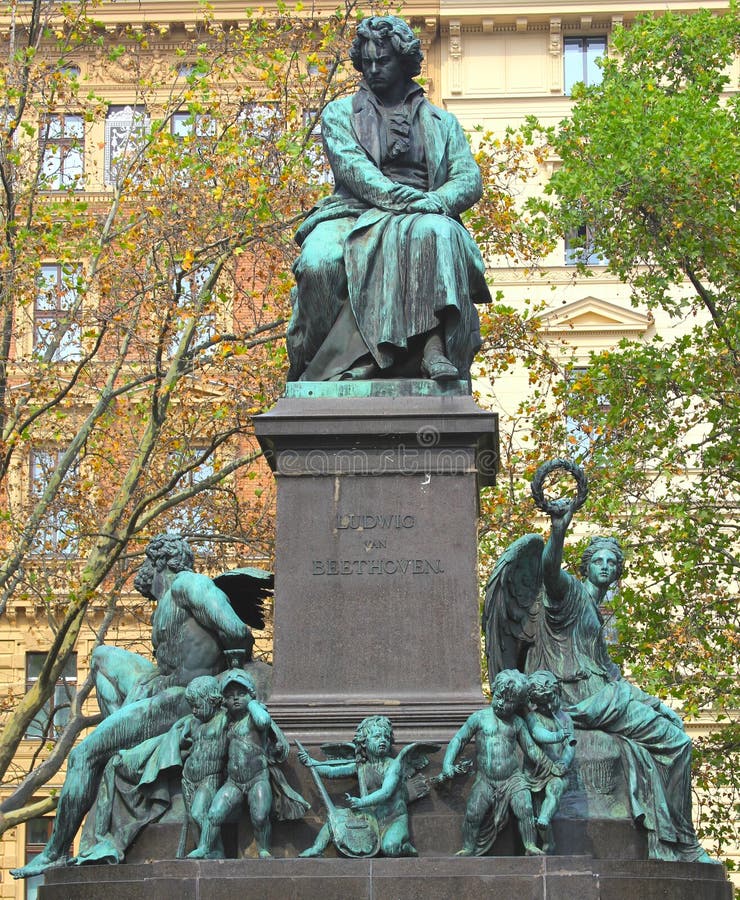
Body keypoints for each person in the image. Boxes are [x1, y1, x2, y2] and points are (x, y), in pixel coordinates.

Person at [11, 534, 254, 879]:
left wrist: (224, 681)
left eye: (145, 563)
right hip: (162, 685)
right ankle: (129, 743)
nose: (141, 571)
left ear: (158, 563)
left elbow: (236, 631)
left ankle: (55, 852)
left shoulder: (188, 584)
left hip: (182, 697)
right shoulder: (168, 601)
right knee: (101, 657)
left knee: (83, 756)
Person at [287, 15, 491, 383]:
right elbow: (355, 172)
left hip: (425, 212)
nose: (374, 69)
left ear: (405, 61)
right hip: (355, 211)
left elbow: (468, 179)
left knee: (436, 233)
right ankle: (315, 372)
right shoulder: (340, 114)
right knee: (320, 262)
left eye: (383, 61)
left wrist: (437, 202)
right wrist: (406, 201)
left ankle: (433, 347)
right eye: (367, 63)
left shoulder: (443, 123)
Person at [527, 503, 713, 863]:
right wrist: (558, 529)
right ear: (586, 566)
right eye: (599, 560)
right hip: (580, 696)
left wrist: (656, 704)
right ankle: (681, 844)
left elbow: (612, 674)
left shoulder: (596, 613)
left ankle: (671, 838)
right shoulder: (568, 595)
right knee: (676, 744)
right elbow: (549, 570)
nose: (606, 567)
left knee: (673, 730)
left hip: (604, 693)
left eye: (612, 563)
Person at [188, 670, 309, 859]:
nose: (235, 700)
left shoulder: (254, 716)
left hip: (257, 779)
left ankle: (263, 849)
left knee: (260, 817)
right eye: (230, 696)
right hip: (234, 782)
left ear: (251, 694)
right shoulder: (226, 720)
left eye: (241, 694)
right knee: (214, 813)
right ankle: (204, 847)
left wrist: (252, 703)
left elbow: (264, 721)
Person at [441, 669, 560, 856]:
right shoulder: (479, 718)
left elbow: (531, 749)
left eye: (509, 702)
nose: (502, 704)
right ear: (494, 691)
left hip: (512, 779)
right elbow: (459, 739)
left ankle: (529, 845)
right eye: (499, 697)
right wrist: (447, 764)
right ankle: (468, 847)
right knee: (473, 813)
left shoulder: (517, 723)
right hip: (486, 779)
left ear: (517, 704)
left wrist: (551, 766)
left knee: (525, 808)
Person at [298, 715, 435, 857]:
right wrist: (311, 762)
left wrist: (361, 802)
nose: (383, 740)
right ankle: (317, 848)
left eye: (386, 738)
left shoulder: (394, 765)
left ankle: (406, 847)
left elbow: (386, 792)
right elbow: (332, 771)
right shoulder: (361, 766)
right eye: (377, 737)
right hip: (371, 818)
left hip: (393, 819)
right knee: (337, 815)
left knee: (390, 848)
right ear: (364, 742)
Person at [524, 670, 576, 852]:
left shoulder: (565, 718)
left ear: (557, 693)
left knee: (554, 789)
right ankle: (547, 841)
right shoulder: (532, 717)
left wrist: (564, 762)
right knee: (532, 808)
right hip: (536, 770)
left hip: (556, 770)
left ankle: (545, 818)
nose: (547, 707)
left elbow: (570, 747)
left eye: (551, 700)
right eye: (542, 704)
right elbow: (539, 733)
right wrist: (557, 735)